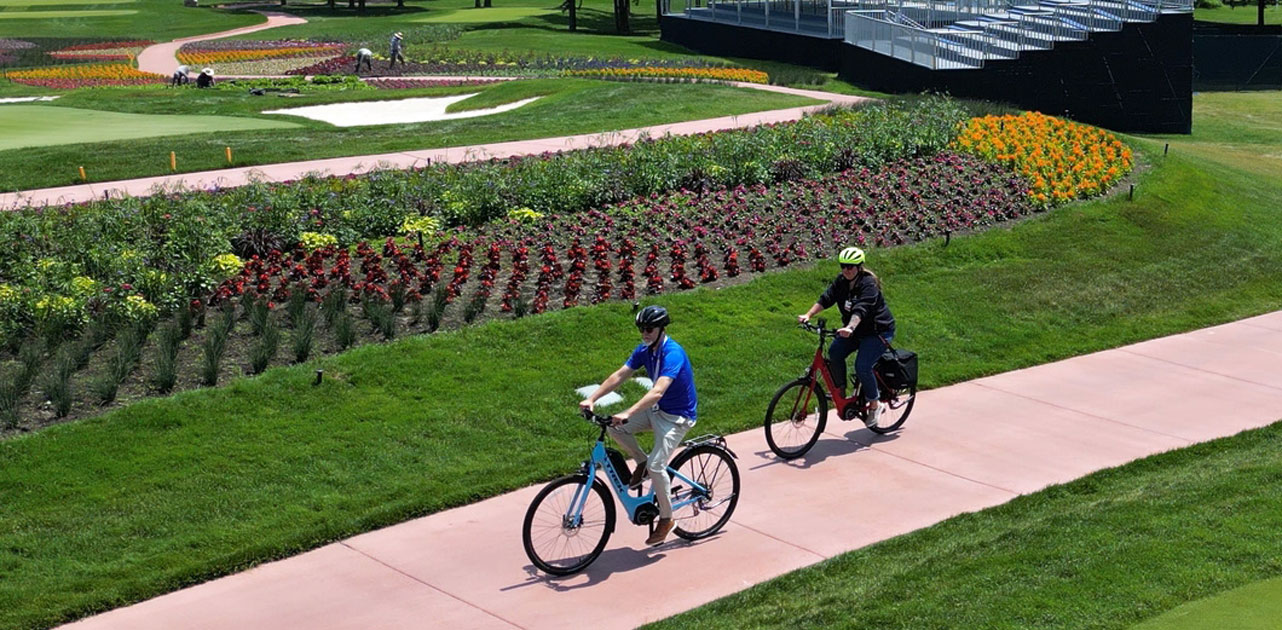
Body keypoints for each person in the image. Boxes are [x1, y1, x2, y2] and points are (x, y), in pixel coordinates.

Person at [580, 305, 698, 546]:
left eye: (649, 329)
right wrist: (592, 399)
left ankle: (667, 519)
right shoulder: (645, 350)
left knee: (657, 467)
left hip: (677, 417)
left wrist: (628, 411)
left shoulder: (672, 353)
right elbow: (620, 375)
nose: (644, 333)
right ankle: (640, 459)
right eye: (641, 329)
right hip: (658, 411)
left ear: (661, 329)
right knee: (615, 427)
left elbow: (657, 391)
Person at [797, 246, 896, 428]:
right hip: (855, 332)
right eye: (843, 266)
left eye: (851, 266)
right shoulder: (841, 282)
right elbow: (826, 298)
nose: (846, 270)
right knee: (834, 352)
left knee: (862, 366)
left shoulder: (868, 284)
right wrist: (808, 315)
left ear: (859, 267)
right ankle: (840, 392)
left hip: (877, 332)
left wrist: (850, 327)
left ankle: (875, 404)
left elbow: (861, 309)